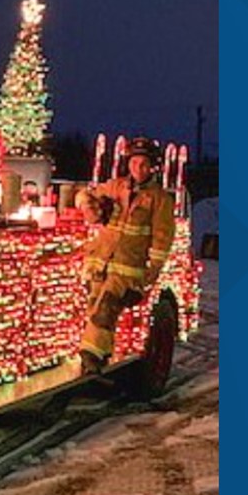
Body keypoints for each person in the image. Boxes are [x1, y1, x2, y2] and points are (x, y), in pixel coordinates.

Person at [74, 138, 175, 376]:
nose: (138, 168)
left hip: (128, 270)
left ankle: (92, 360)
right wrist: (88, 206)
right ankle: (101, 353)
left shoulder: (160, 200)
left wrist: (152, 271)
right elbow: (85, 194)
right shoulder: (116, 187)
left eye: (143, 164)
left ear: (152, 167)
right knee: (94, 309)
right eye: (135, 162)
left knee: (105, 310)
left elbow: (163, 238)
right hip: (100, 262)